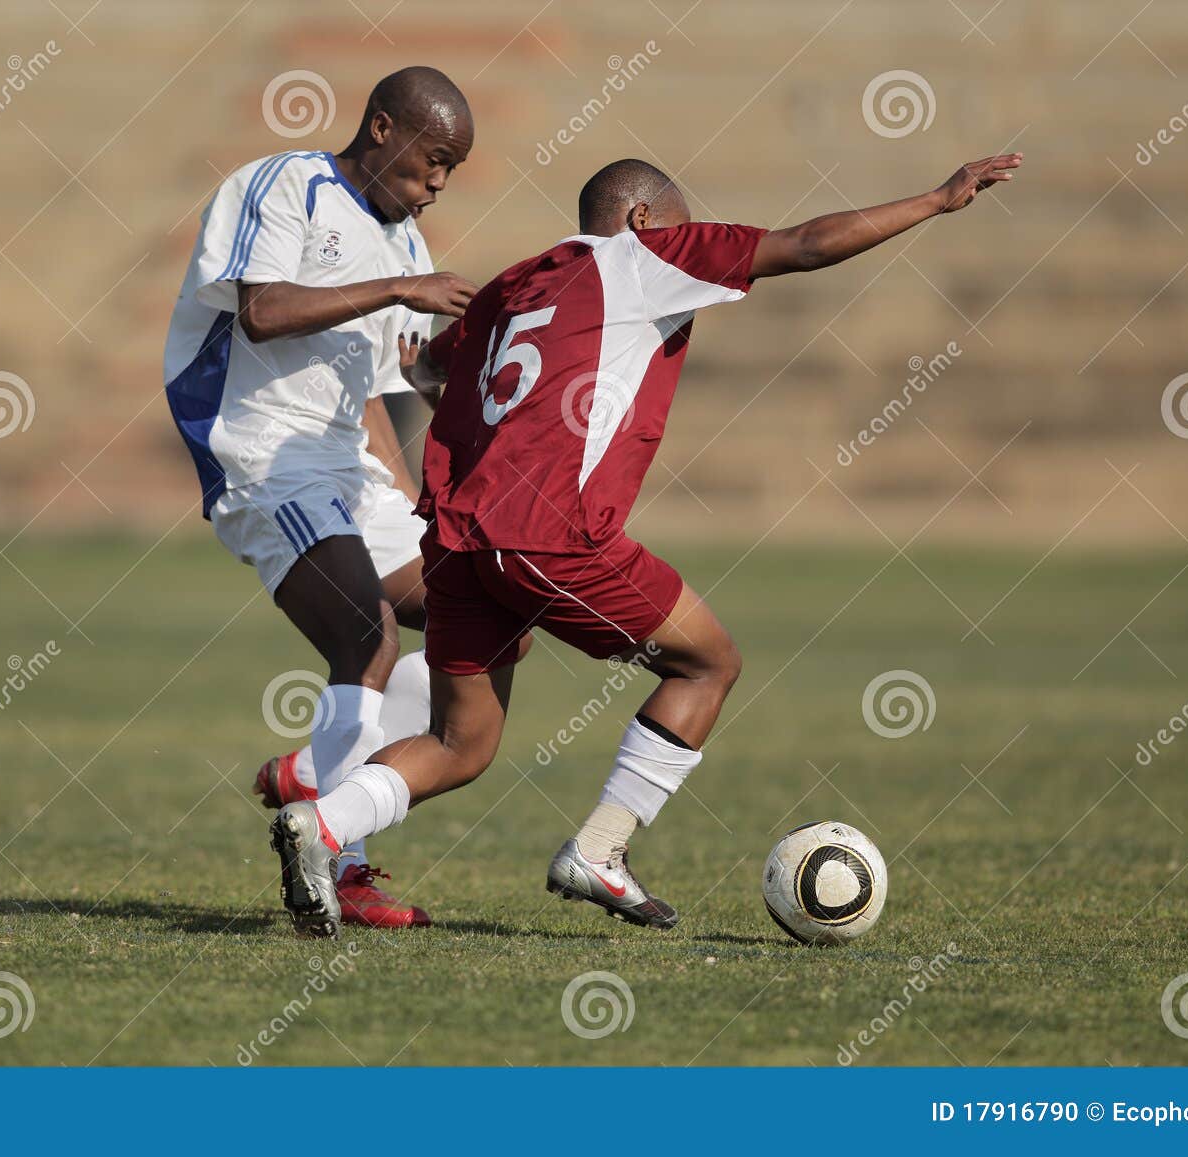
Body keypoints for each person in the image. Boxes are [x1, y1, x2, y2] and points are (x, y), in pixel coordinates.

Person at [268, 152, 1025, 937]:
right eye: (675, 226)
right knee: (708, 664)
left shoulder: (516, 282)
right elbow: (804, 245)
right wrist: (935, 201)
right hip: (550, 533)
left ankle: (321, 823)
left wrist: (439, 384)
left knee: (459, 743)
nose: (686, 248)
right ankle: (600, 850)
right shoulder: (643, 257)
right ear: (641, 221)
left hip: (460, 539)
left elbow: (433, 369)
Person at [164, 66, 479, 927]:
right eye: (433, 159)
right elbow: (262, 311)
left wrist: (413, 500)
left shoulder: (406, 245)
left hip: (346, 460)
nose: (438, 183)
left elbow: (373, 391)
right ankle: (344, 868)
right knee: (365, 636)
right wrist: (399, 290)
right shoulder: (285, 185)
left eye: (451, 169)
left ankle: (317, 767)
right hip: (262, 449)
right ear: (382, 128)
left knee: (485, 616)